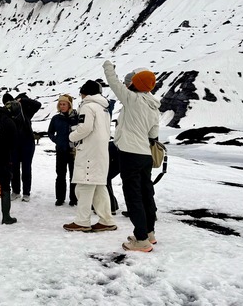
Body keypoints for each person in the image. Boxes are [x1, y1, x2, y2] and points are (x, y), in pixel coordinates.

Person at [103, 61, 160, 252]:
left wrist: (108, 66)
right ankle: (149, 233)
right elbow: (153, 135)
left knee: (133, 195)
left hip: (129, 153)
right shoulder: (153, 106)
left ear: (135, 83)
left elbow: (114, 83)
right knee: (146, 194)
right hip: (144, 155)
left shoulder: (132, 99)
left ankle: (141, 240)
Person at [62, 80, 117, 233]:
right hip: (101, 151)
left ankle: (82, 221)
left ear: (85, 93)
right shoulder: (104, 108)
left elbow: (85, 128)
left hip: (89, 151)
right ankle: (106, 220)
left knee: (83, 186)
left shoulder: (88, 106)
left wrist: (72, 136)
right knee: (99, 186)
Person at [3, 92, 42, 202]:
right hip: (14, 144)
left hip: (27, 143)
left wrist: (23, 100)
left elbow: (37, 104)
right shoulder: (7, 113)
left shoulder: (26, 111)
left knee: (26, 168)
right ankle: (15, 191)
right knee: (14, 168)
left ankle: (26, 193)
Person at [48, 94, 79, 206]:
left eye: (64, 104)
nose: (62, 106)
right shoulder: (56, 118)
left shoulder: (76, 117)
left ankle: (74, 199)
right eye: (60, 104)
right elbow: (50, 132)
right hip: (61, 150)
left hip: (73, 151)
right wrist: (56, 140)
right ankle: (60, 198)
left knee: (74, 175)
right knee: (60, 175)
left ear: (69, 105)